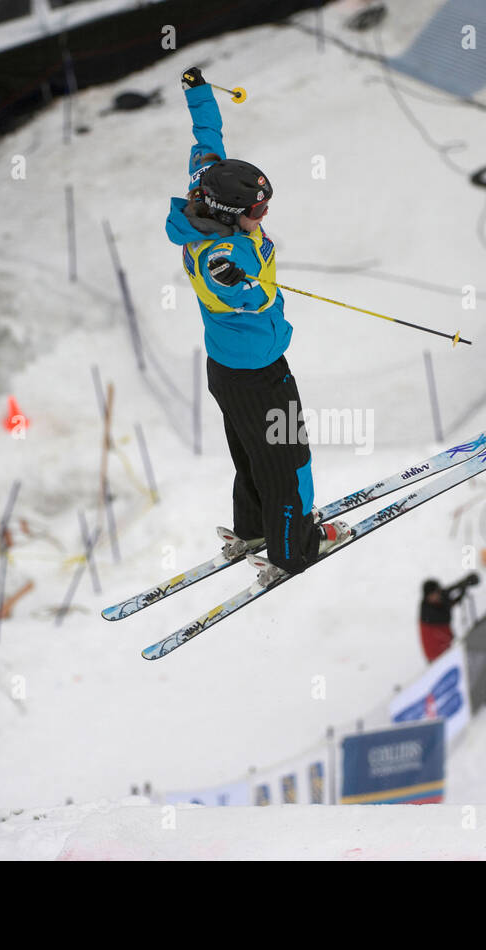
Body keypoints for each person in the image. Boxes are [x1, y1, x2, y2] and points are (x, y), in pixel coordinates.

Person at [164, 65, 352, 586]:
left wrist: (199, 94)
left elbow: (207, 138)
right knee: (288, 459)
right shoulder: (217, 256)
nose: (263, 215)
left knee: (252, 451)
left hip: (235, 369)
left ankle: (253, 529)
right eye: (257, 209)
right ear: (228, 213)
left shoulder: (209, 188)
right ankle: (296, 547)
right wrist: (256, 281)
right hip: (254, 372)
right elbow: (253, 295)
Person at [419, 574, 479, 662]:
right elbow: (445, 613)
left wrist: (463, 583)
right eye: (436, 593)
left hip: (447, 648)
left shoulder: (431, 601)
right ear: (429, 596)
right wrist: (457, 598)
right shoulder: (427, 612)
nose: (439, 595)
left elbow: (445, 593)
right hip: (437, 657)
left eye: (438, 592)